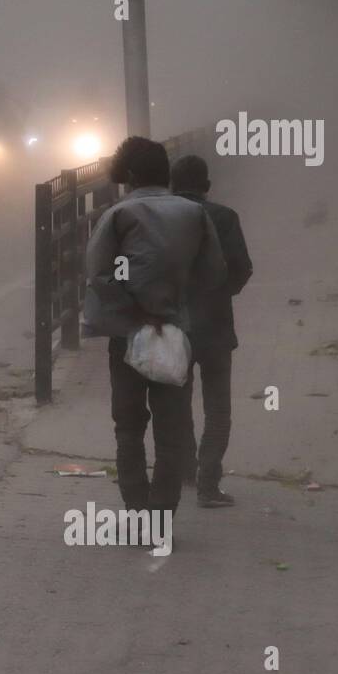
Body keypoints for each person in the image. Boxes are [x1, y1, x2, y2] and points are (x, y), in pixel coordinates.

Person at [82, 136, 227, 522]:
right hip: (176, 335)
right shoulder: (194, 214)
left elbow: (99, 274)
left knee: (129, 427)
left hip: (128, 337)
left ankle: (137, 512)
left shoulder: (118, 215)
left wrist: (135, 311)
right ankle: (162, 517)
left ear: (129, 176)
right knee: (172, 428)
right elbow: (213, 275)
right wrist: (175, 309)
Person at [170, 154, 254, 508]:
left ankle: (186, 470)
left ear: (172, 184)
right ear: (207, 184)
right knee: (218, 409)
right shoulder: (224, 217)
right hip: (217, 326)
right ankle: (208, 484)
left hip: (176, 326)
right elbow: (243, 268)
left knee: (178, 402)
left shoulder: (164, 217)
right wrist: (221, 293)